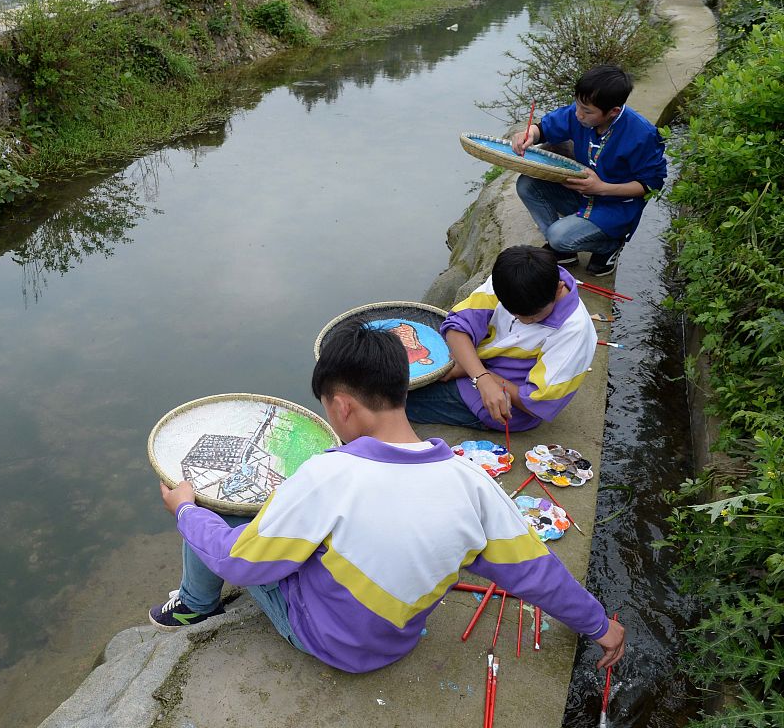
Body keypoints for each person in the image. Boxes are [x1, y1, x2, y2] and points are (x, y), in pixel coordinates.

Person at [149, 321, 625, 674]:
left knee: (212, 516)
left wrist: (186, 510)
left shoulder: (328, 475)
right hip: (396, 640)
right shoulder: (472, 481)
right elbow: (534, 571)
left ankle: (195, 604)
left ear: (341, 406)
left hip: (327, 641)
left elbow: (238, 564)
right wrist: (599, 625)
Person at [404, 245, 596, 432]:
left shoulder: (574, 332)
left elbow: (535, 404)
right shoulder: (511, 280)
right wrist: (479, 375)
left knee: (394, 401)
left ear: (558, 289)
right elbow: (456, 328)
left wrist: (478, 375)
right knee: (396, 374)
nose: (523, 321)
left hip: (502, 403)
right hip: (474, 367)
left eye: (533, 316)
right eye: (514, 313)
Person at [510, 65, 667, 277]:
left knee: (558, 236)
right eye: (577, 105)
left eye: (587, 111)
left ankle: (610, 245)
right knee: (527, 184)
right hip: (583, 195)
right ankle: (563, 251)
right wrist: (530, 133)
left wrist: (601, 188)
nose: (578, 114)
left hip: (615, 208)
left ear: (613, 112)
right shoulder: (582, 114)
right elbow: (546, 128)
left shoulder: (642, 134)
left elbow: (651, 184)